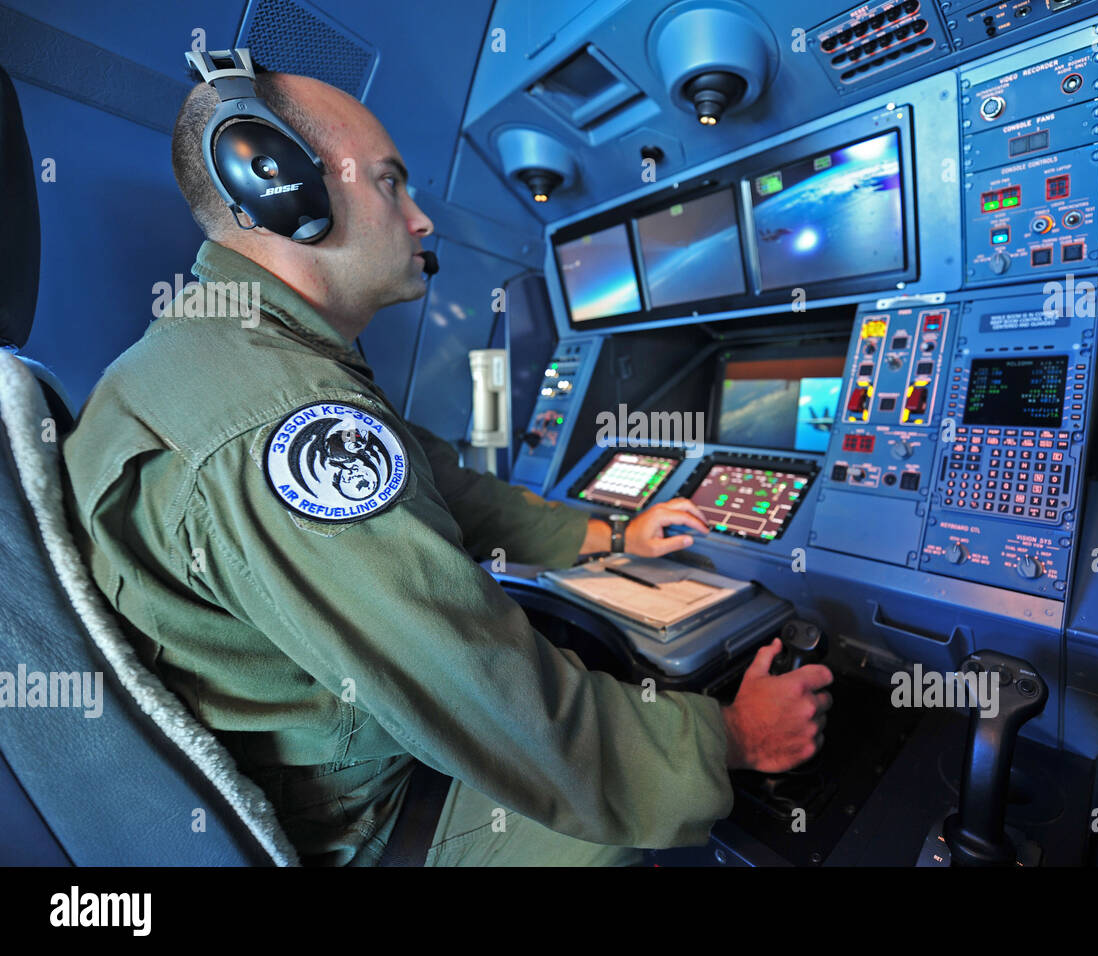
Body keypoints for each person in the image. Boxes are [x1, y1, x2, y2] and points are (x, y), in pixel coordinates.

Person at [60, 70, 833, 865]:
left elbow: (436, 480)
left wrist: (609, 531)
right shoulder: (278, 419)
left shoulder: (245, 357)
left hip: (332, 763)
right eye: (391, 183)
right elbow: (481, 690)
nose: (423, 219)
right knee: (602, 838)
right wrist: (729, 738)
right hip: (357, 825)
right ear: (286, 190)